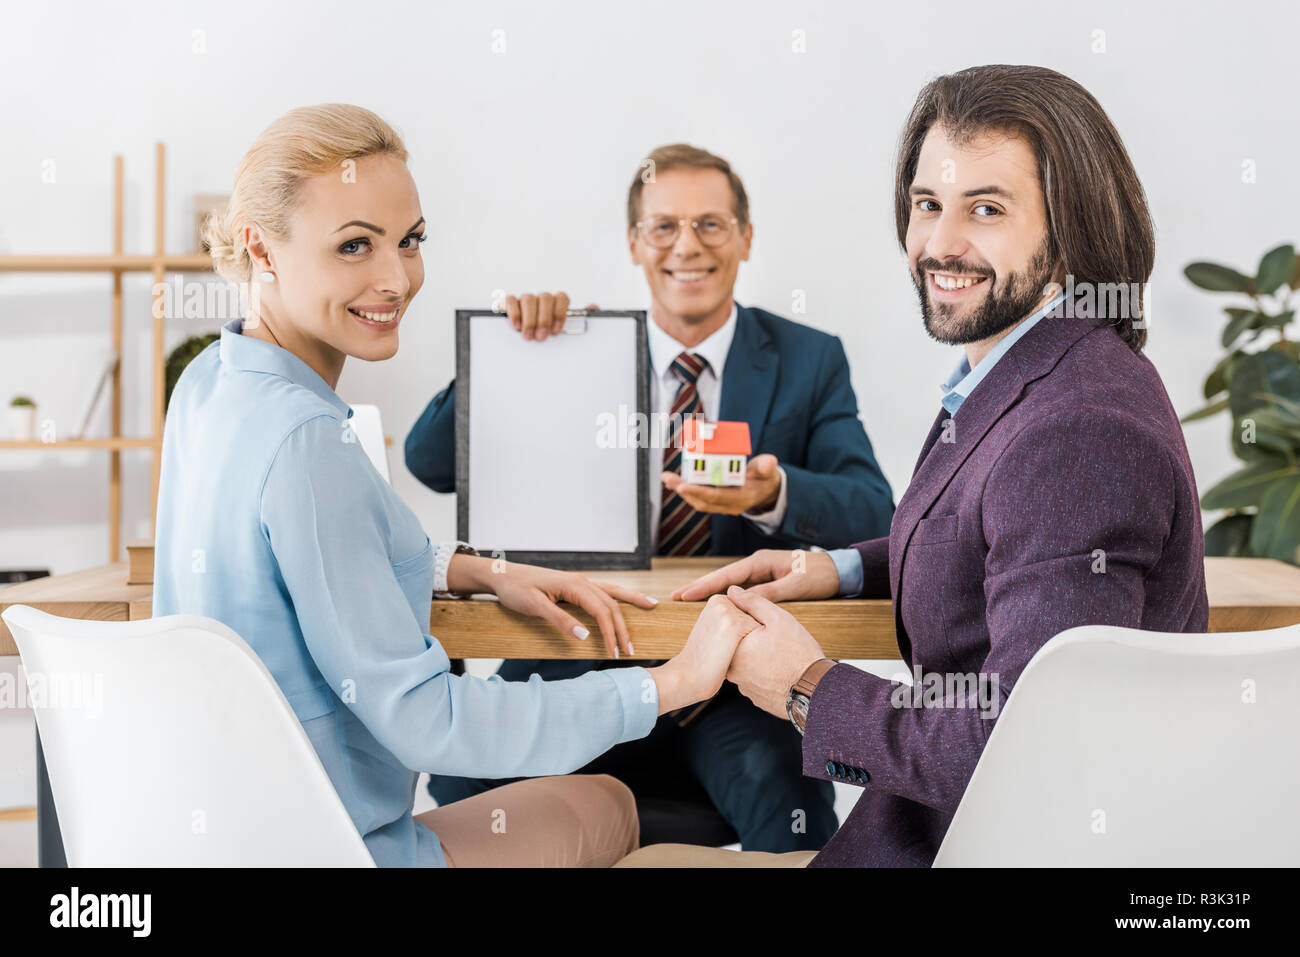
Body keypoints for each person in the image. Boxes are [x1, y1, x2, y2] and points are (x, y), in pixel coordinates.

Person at [639, 64, 1210, 868]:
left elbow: (1025, 744)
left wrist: (807, 687)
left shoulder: (1077, 427)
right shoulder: (1047, 366)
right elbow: (997, 534)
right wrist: (835, 568)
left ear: (1070, 229)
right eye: (927, 205)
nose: (940, 244)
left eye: (986, 208)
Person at [152, 103, 752, 868]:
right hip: (337, 847)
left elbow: (320, 544)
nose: (396, 277)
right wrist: (666, 684)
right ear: (259, 251)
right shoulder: (309, 441)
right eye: (354, 246)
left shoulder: (208, 384)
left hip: (223, 831)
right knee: (607, 804)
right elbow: (427, 719)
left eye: (410, 241)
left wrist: (472, 567)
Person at [409, 143, 895, 851]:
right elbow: (427, 462)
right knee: (460, 792)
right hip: (577, 663)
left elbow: (875, 513)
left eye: (711, 224)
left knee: (790, 806)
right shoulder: (573, 349)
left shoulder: (808, 356)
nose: (686, 247)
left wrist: (774, 495)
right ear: (635, 244)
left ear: (746, 238)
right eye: (663, 226)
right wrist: (507, 355)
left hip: (734, 686)